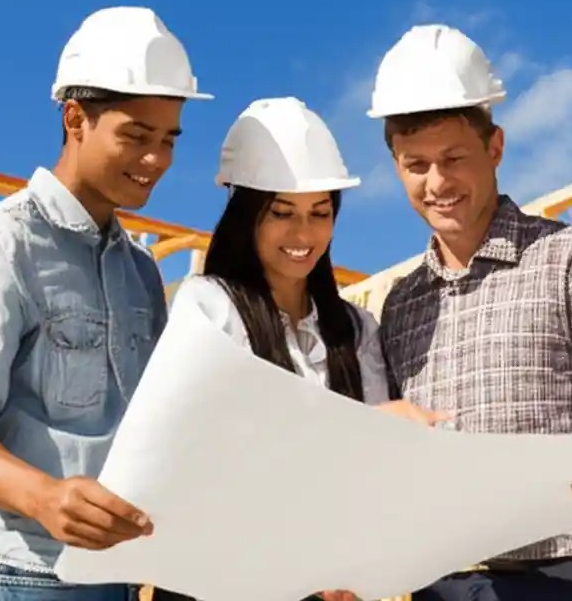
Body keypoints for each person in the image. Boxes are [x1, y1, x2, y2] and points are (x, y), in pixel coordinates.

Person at [366, 24, 572, 600]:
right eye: (415, 164)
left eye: (454, 157)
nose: (437, 182)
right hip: (436, 583)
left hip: (561, 581)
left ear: (494, 147)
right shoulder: (400, 305)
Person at [0, 6, 213, 601]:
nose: (157, 160)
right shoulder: (1, 242)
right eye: (136, 136)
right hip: (11, 570)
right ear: (75, 119)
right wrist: (44, 496)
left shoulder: (142, 272)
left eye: (169, 139)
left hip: (110, 578)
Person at [168, 96, 448, 601]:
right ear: (247, 215)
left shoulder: (356, 330)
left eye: (320, 212)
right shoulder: (207, 307)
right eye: (282, 213)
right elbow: (204, 449)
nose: (304, 234)